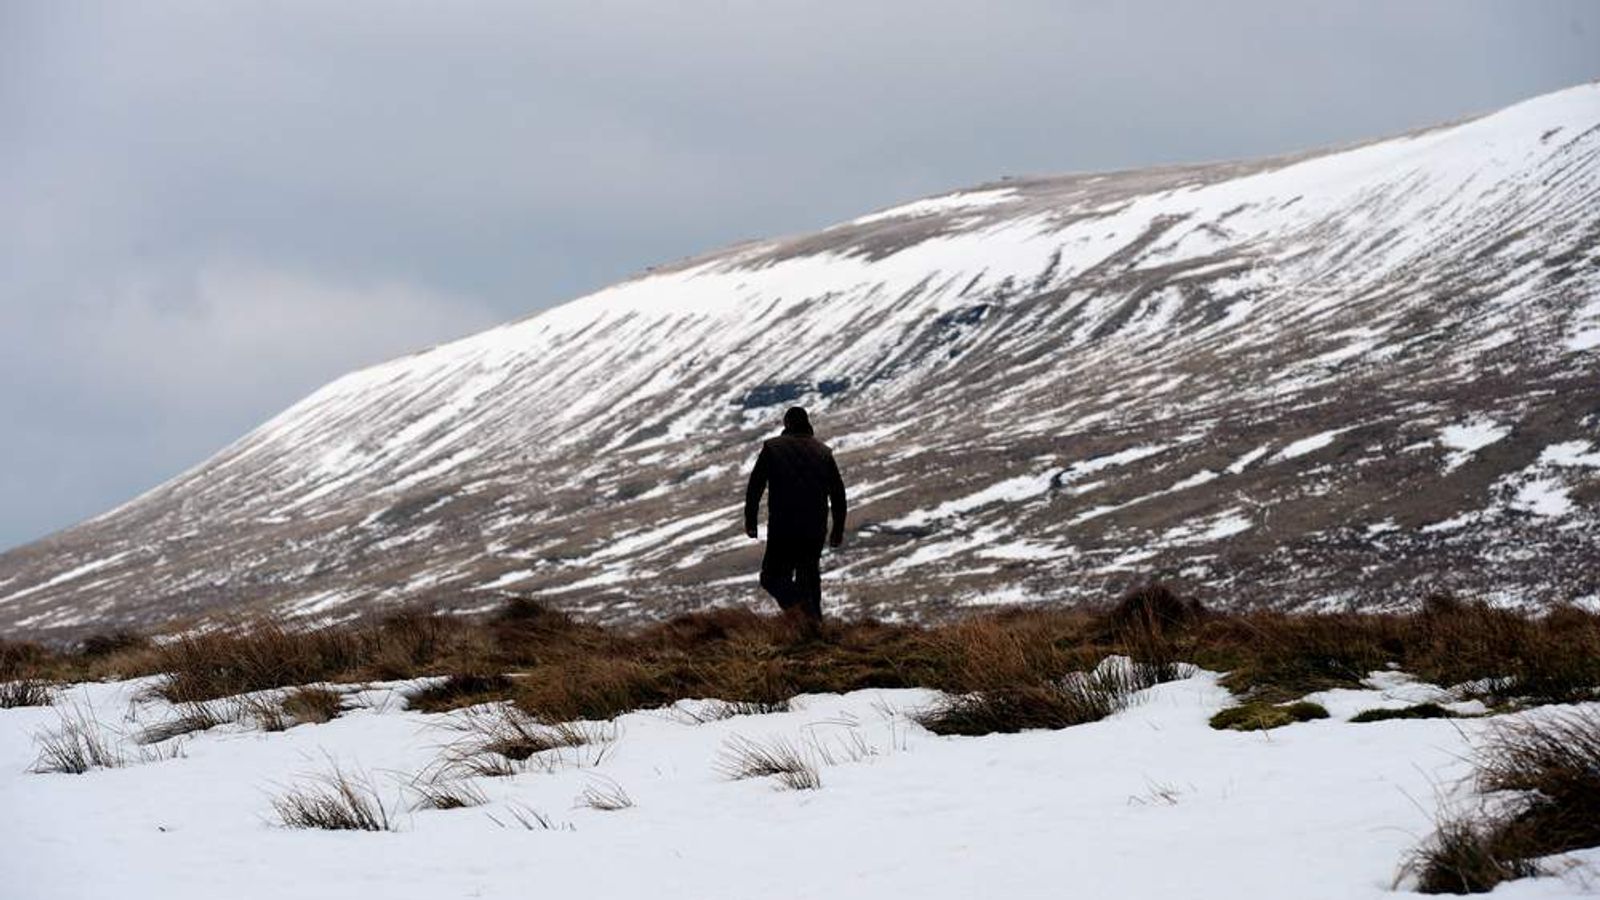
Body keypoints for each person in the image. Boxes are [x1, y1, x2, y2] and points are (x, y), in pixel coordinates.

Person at [744, 406, 847, 625]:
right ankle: (815, 627)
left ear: (786, 424)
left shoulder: (772, 448)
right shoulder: (823, 452)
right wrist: (837, 530)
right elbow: (838, 495)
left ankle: (803, 615)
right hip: (815, 528)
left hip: (784, 526)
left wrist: (750, 521)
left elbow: (755, 486)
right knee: (809, 578)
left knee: (771, 577)